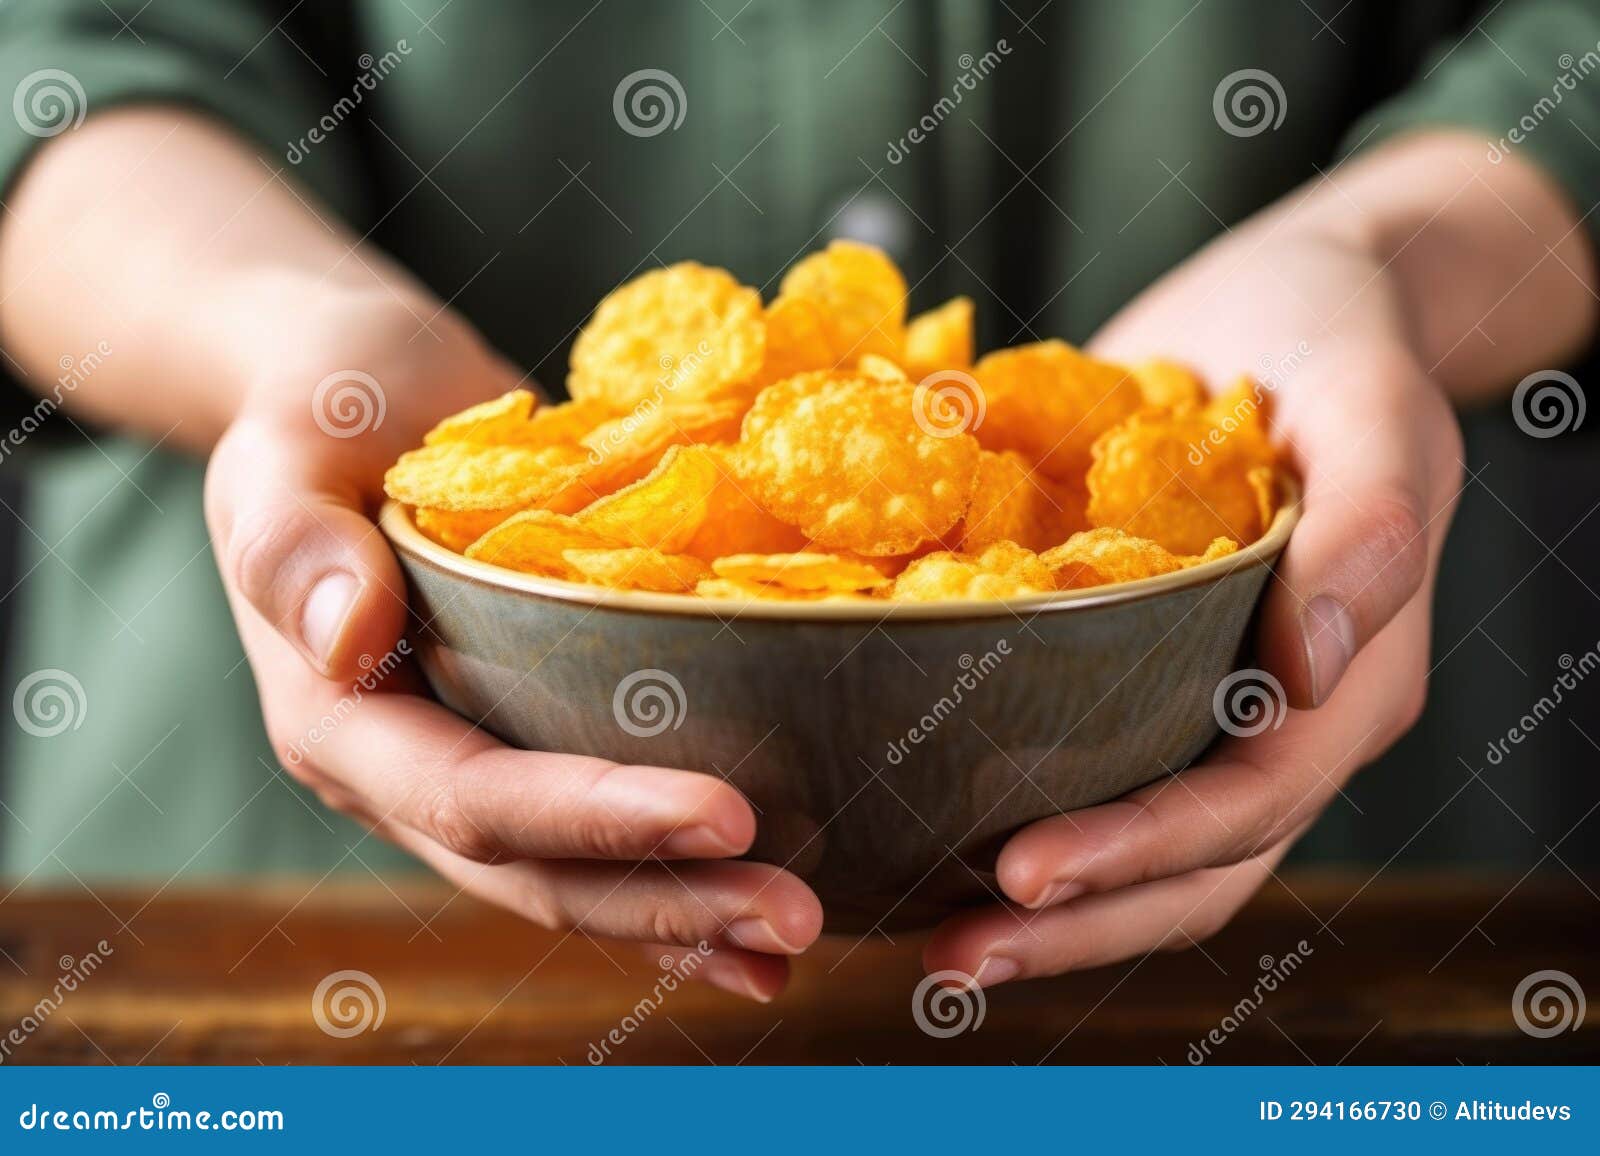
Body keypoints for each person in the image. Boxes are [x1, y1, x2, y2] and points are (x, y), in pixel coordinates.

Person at [0, 1, 1594, 1004]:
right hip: (253, 956)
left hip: (1353, 957)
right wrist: (283, 339)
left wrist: (1385, 264)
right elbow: (57, 55)